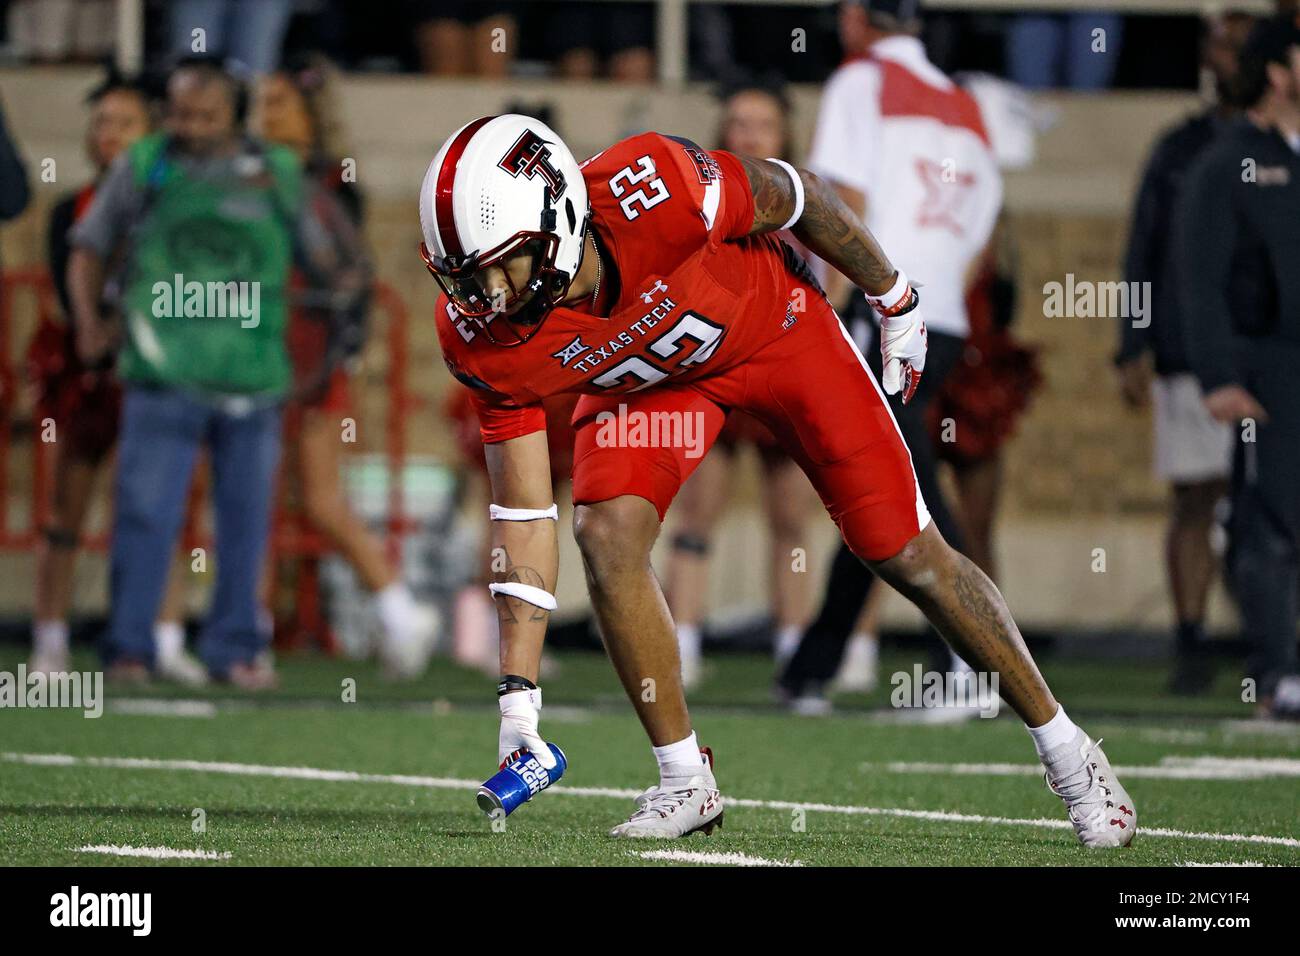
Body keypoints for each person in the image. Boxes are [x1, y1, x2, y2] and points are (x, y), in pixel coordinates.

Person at [418, 112, 1136, 845]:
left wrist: (890, 292)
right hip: (659, 382)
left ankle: (1071, 754)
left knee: (908, 552)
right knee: (604, 532)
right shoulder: (481, 339)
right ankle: (683, 781)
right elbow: (522, 517)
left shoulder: (657, 189)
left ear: (559, 223)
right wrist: (518, 702)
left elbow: (798, 195)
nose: (484, 299)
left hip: (778, 331)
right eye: (463, 277)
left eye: (497, 268)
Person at [66, 59, 351, 687]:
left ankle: (238, 649)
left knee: (248, 522)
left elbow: (330, 262)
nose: (191, 127)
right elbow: (86, 246)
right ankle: (130, 649)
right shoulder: (144, 165)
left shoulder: (275, 174)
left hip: (252, 377)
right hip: (159, 374)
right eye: (181, 114)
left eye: (207, 115)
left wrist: (337, 327)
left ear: (235, 113)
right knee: (145, 514)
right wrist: (88, 324)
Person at [776, 0, 1003, 711]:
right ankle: (812, 667)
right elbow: (986, 228)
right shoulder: (965, 103)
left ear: (855, 18)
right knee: (878, 482)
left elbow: (839, 205)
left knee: (905, 492)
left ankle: (972, 663)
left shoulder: (859, 82)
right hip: (944, 315)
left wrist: (832, 307)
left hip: (887, 310)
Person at [254, 54, 438, 678]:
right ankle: (248, 631)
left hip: (309, 360)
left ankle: (398, 609)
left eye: (279, 102)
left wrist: (341, 354)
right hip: (250, 357)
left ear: (309, 115)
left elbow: (349, 283)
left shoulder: (334, 187)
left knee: (321, 497)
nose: (264, 114)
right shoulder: (246, 175)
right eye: (263, 102)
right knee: (250, 497)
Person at [26, 72, 205, 684]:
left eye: (125, 124)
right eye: (101, 123)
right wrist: (96, 330)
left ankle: (166, 635)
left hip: (154, 371)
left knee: (160, 507)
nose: (109, 135)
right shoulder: (67, 210)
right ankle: (50, 639)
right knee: (67, 505)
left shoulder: (175, 202)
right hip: (90, 369)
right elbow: (67, 277)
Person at [662, 82, 821, 687]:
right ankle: (680, 649)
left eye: (763, 124)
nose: (749, 135)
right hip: (714, 369)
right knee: (697, 512)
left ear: (785, 134)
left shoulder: (807, 202)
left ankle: (794, 655)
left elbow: (824, 289)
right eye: (738, 123)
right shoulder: (702, 201)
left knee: (791, 519)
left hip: (783, 365)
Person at [1117, 11, 1257, 695]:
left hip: (1268, 349)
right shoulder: (1179, 147)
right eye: (1217, 46)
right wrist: (1131, 343)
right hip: (1188, 352)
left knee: (1271, 503)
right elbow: (1143, 245)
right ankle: (1192, 640)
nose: (1223, 58)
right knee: (1195, 498)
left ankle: (1270, 644)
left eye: (1237, 47)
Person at [1176, 14, 1300, 719]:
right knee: (1269, 521)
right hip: (1267, 365)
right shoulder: (1232, 161)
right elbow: (1198, 274)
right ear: (1279, 72)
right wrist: (1219, 374)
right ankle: (1275, 674)